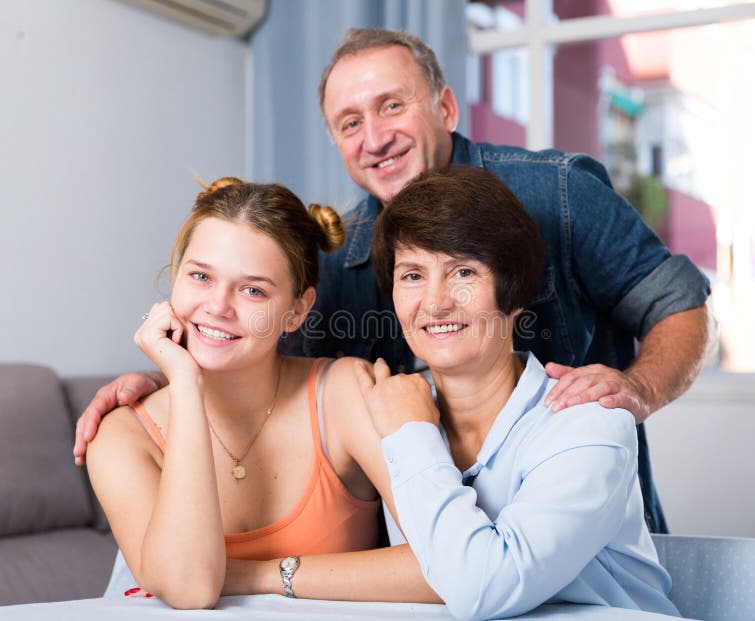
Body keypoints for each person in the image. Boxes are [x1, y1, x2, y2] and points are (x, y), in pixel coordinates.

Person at [74, 28, 713, 533]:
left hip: (576, 526)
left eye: (391, 106)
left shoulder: (559, 193)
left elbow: (678, 304)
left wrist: (636, 388)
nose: (375, 137)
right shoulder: (336, 258)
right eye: (350, 122)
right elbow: (268, 370)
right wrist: (170, 377)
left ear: (445, 107)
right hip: (422, 536)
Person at [243, 166, 680, 619]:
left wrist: (413, 433)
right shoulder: (393, 403)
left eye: (463, 272)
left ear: (513, 293)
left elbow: (483, 588)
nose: (434, 302)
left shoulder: (587, 424)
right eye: (412, 275)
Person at [85, 179, 393, 608]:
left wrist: (258, 575)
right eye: (200, 276)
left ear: (297, 311)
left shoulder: (344, 394)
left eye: (253, 290)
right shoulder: (120, 436)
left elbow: (444, 569)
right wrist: (185, 385)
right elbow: (190, 589)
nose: (218, 306)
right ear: (176, 278)